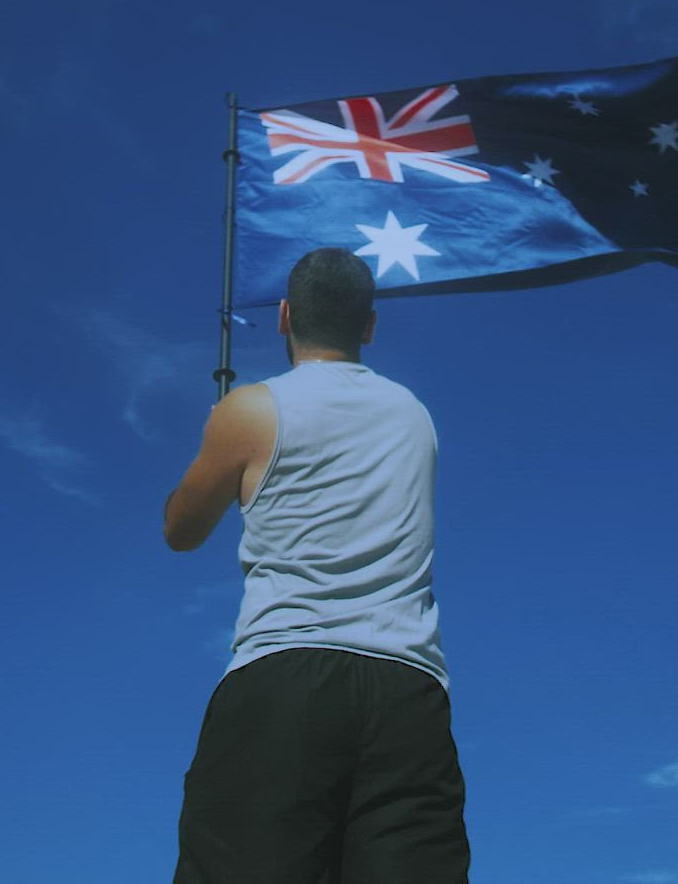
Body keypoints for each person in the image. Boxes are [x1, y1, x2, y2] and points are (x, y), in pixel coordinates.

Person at [165, 247, 470, 884]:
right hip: (410, 695)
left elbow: (181, 530)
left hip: (286, 676)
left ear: (283, 317)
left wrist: (216, 440)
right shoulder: (415, 415)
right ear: (369, 324)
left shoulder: (247, 410)